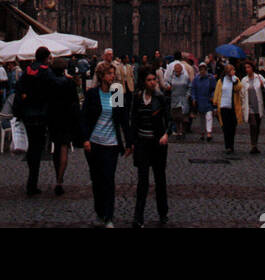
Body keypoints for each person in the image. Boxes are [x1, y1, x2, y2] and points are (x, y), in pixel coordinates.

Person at [80, 59, 130, 227]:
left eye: (113, 73)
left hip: (111, 144)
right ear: (101, 76)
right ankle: (100, 210)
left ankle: (108, 216)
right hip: (94, 144)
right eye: (109, 73)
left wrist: (129, 142)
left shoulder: (116, 92)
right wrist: (85, 139)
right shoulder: (93, 94)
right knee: (97, 180)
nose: (113, 76)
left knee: (109, 180)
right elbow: (85, 118)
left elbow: (122, 119)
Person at [128, 66, 170, 227]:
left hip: (158, 144)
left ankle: (163, 213)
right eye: (149, 80)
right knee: (142, 182)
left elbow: (169, 120)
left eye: (154, 79)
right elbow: (133, 120)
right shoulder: (137, 97)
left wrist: (166, 134)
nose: (152, 82)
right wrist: (130, 143)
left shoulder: (161, 98)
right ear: (143, 82)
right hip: (142, 144)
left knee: (160, 180)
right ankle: (138, 217)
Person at [14, 46, 54, 196]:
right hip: (41, 115)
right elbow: (51, 91)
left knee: (32, 147)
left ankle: (31, 181)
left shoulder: (28, 69)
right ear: (46, 57)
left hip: (27, 114)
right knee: (38, 147)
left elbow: (19, 87)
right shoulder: (46, 71)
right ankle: (32, 184)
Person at [48, 60, 82, 196]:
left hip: (53, 118)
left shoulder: (49, 83)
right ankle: (59, 180)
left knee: (56, 146)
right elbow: (75, 101)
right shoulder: (69, 83)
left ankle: (57, 175)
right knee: (64, 147)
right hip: (67, 118)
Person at [213, 60, 242, 153]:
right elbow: (217, 93)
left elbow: (239, 89)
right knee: (225, 127)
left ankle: (231, 144)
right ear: (228, 71)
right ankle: (228, 145)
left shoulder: (235, 80)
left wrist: (235, 82)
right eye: (232, 70)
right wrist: (215, 103)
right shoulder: (221, 81)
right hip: (223, 106)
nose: (234, 72)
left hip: (233, 107)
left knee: (233, 126)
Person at [241, 61, 265, 154]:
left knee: (258, 126)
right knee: (253, 125)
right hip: (249, 106)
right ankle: (253, 145)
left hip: (258, 105)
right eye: (245, 68)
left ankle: (255, 144)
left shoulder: (259, 77)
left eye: (248, 67)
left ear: (252, 68)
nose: (247, 69)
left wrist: (262, 85)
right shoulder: (244, 80)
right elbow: (242, 94)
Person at [191, 62, 216, 140]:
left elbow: (213, 89)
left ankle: (209, 133)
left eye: (203, 69)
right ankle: (202, 132)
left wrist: (212, 96)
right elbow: (193, 89)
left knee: (209, 116)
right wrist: (194, 98)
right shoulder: (196, 79)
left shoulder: (210, 78)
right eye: (201, 69)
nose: (202, 71)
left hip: (208, 100)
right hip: (200, 100)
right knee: (201, 117)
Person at [167, 60, 191, 140]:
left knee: (183, 117)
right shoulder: (172, 76)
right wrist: (168, 87)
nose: (176, 72)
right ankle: (178, 131)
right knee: (176, 117)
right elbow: (167, 82)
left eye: (178, 70)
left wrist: (188, 95)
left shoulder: (185, 77)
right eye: (175, 70)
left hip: (183, 98)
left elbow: (189, 86)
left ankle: (183, 131)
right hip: (174, 98)